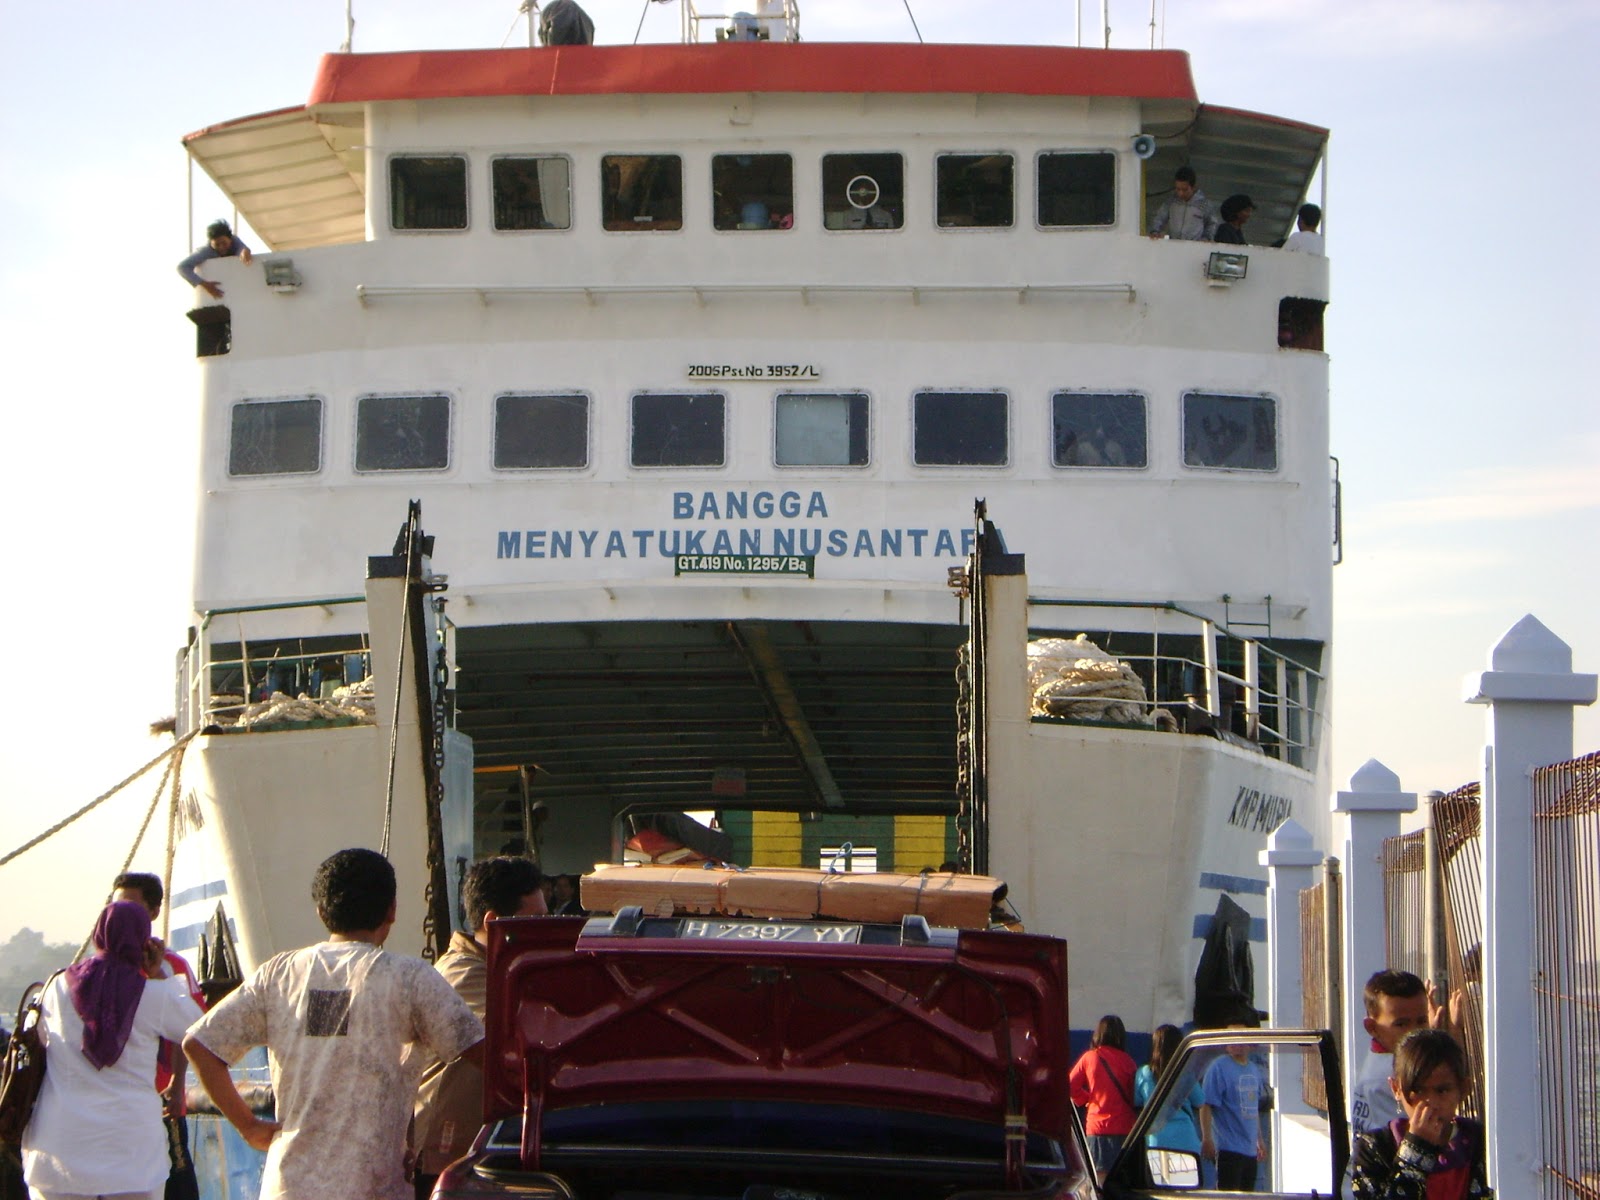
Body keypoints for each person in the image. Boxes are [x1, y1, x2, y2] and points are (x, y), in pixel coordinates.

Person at [183, 848, 485, 1200]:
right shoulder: (410, 978)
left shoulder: (280, 973)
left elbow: (199, 1045)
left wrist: (248, 1127)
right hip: (371, 1186)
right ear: (392, 910)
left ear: (322, 911)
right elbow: (484, 1054)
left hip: (288, 1186)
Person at [22, 901, 204, 1200]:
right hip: (131, 1158)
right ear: (143, 941)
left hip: (59, 1153)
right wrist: (160, 976)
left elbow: (37, 1036)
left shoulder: (55, 988)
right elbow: (199, 1028)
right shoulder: (154, 995)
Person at [410, 857, 546, 1200]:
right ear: (494, 922)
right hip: (443, 1153)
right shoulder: (463, 974)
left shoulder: (501, 971)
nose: (545, 930)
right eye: (537, 921)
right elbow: (507, 1046)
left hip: (470, 1152)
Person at [112, 873, 207, 1200]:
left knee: (175, 1179)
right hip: (115, 1103)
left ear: (153, 912)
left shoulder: (172, 967)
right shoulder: (92, 974)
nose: (120, 914)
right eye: (116, 906)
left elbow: (191, 1030)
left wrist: (179, 1083)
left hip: (159, 1094)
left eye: (130, 906)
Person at [1350, 1029, 1490, 1200]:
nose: (1430, 1102)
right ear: (1396, 1089)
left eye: (1442, 1090)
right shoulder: (1374, 1149)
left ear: (1463, 1089)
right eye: (1417, 1090)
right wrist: (1416, 1149)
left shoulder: (1481, 1145)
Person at [1351, 970, 1439, 1137]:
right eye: (1401, 1024)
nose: (1414, 1032)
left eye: (1422, 1021)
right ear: (1372, 1027)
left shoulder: (1379, 1060)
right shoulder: (1394, 1071)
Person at [1068, 1014, 1139, 1181]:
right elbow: (1134, 1096)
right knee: (1121, 1180)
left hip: (1097, 1128)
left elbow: (1069, 1086)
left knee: (1098, 1179)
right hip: (1124, 1128)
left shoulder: (1090, 1057)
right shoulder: (1128, 1062)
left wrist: (1086, 1099)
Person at [1199, 1033, 1265, 1191]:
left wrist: (1259, 1140)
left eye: (1240, 1039)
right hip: (1228, 1148)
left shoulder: (1254, 1070)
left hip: (1249, 1150)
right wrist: (1207, 1137)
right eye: (1232, 1040)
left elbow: (1253, 1108)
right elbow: (1206, 1104)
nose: (1236, 1044)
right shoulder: (1219, 1067)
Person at [1136, 1024, 1204, 1157]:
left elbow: (1137, 1101)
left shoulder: (1144, 1073)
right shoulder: (1186, 1072)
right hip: (1185, 1137)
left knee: (1159, 1178)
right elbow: (1200, 1101)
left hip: (1157, 1138)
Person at [177, 220, 253, 300]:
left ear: (230, 239)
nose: (221, 247)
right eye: (217, 245)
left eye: (224, 243)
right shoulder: (206, 251)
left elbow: (242, 249)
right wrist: (204, 284)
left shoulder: (235, 241)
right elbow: (182, 267)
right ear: (211, 243)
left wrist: (245, 251)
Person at [1148, 166, 1218, 241]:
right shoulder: (1171, 202)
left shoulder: (1204, 205)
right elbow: (1159, 218)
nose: (1180, 193)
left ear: (1193, 187)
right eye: (1178, 189)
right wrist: (1155, 231)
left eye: (1185, 190)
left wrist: (1206, 238)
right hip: (1173, 245)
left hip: (1195, 247)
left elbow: (1212, 224)